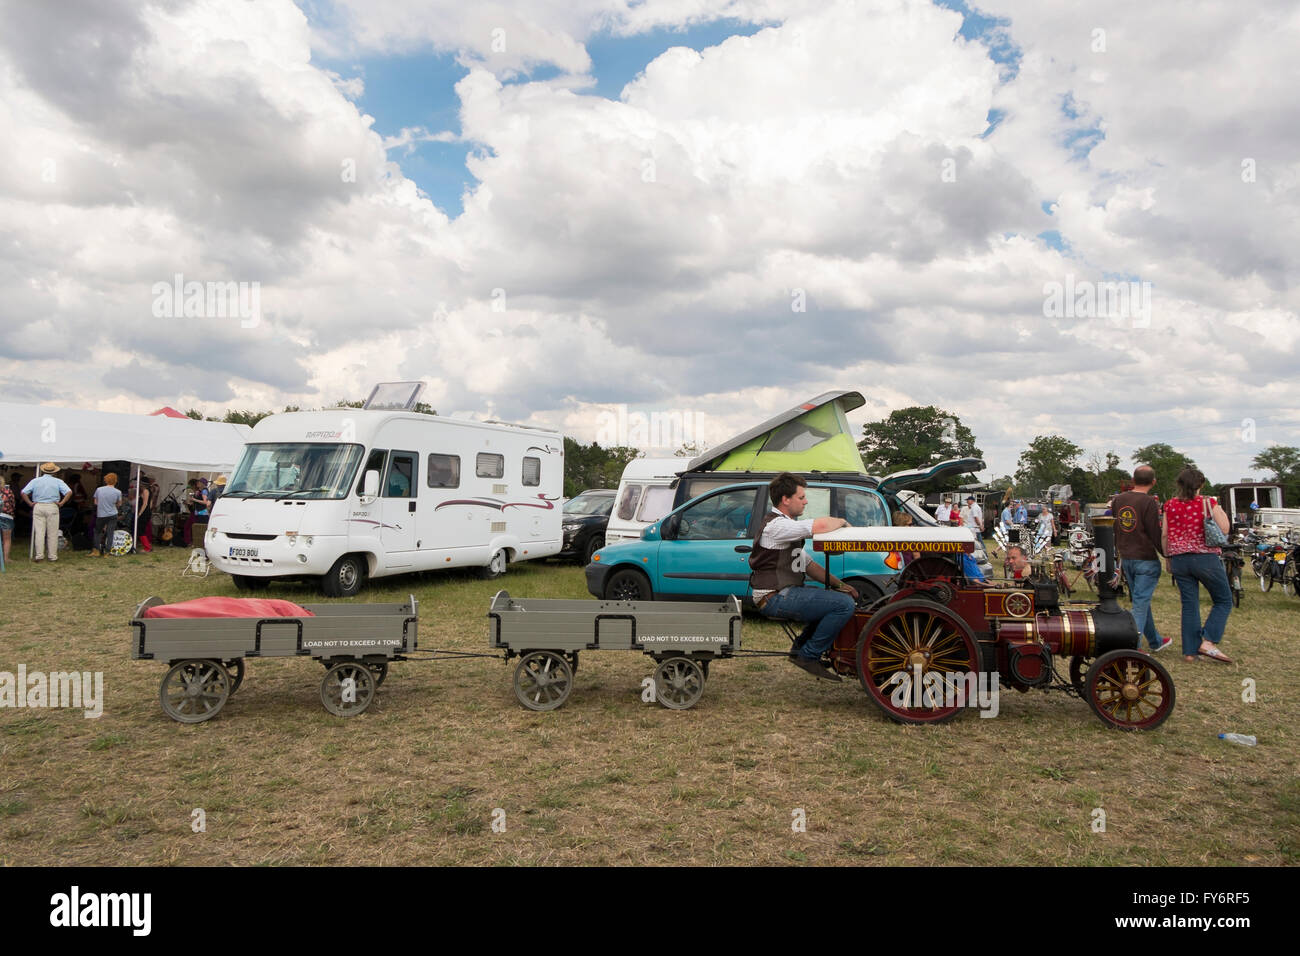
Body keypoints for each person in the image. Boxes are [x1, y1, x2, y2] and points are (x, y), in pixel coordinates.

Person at [750, 472, 859, 681]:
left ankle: (800, 649)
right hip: (774, 597)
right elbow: (821, 526)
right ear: (785, 500)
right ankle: (808, 656)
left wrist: (841, 586)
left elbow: (809, 566)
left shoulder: (784, 528)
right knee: (843, 605)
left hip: (781, 593)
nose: (806, 502)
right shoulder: (777, 526)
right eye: (801, 497)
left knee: (835, 598)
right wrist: (843, 521)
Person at [1161, 466, 1233, 663]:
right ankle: (1209, 640)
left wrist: (1168, 558)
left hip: (1179, 560)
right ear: (1200, 484)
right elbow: (1225, 528)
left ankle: (1190, 652)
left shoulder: (1170, 505)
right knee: (1224, 600)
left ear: (1180, 485)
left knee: (1189, 604)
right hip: (1205, 558)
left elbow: (1165, 534)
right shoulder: (1208, 503)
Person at [1113, 465, 1169, 652]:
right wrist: (1166, 554)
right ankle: (1132, 647)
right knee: (1140, 604)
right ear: (1153, 482)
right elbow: (1155, 531)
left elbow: (1115, 528)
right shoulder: (1149, 502)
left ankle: (1155, 641)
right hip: (1146, 558)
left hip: (1127, 557)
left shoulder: (1118, 500)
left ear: (1132, 480)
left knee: (1140, 601)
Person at [21, 463, 72, 562]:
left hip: (38, 506)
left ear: (43, 471)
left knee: (39, 532)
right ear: (54, 471)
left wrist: (30, 503)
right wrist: (62, 503)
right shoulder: (58, 481)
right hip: (52, 506)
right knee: (52, 533)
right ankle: (52, 556)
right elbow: (69, 492)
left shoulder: (35, 481)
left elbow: (23, 492)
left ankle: (39, 556)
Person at [91, 473, 123, 557]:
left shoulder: (99, 489)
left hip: (101, 514)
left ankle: (96, 550)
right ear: (115, 481)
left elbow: (95, 502)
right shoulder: (118, 492)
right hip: (113, 514)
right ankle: (107, 552)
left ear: (105, 480)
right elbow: (119, 504)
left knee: (97, 532)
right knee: (110, 533)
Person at [183, 478, 210, 546]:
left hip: (202, 513)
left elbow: (205, 502)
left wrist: (194, 499)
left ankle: (200, 543)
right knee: (197, 528)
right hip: (198, 513)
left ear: (202, 483)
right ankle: (196, 543)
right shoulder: (200, 491)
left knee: (201, 529)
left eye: (199, 482)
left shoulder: (204, 491)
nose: (198, 483)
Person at [0, 474, 15, 565]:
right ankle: (5, 558)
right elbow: (13, 504)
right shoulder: (8, 491)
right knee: (7, 539)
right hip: (6, 516)